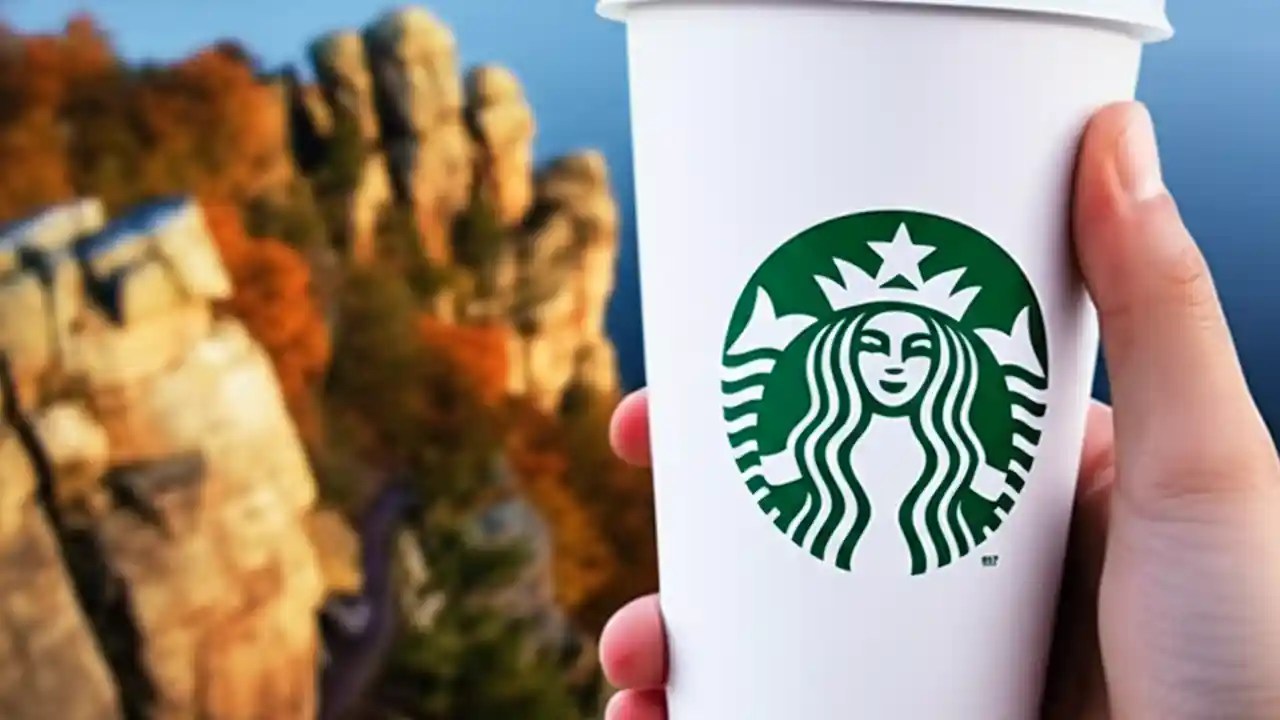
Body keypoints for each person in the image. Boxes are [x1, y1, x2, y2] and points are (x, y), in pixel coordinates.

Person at [597, 102, 1280, 719]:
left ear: (948, 361)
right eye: (872, 345)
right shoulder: (800, 463)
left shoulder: (975, 479)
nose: (894, 363)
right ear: (834, 357)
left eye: (917, 347)